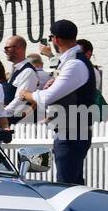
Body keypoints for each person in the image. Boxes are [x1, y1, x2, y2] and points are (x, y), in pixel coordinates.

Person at [19, 19, 96, 184]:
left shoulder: (75, 63)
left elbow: (47, 97)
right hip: (71, 130)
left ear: (56, 39)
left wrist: (27, 94)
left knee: (66, 186)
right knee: (72, 183)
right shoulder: (72, 61)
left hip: (72, 132)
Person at [2, 36, 38, 123]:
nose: (4, 51)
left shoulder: (27, 71)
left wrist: (2, 114)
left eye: (7, 48)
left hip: (19, 124)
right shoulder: (16, 69)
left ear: (18, 48)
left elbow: (20, 101)